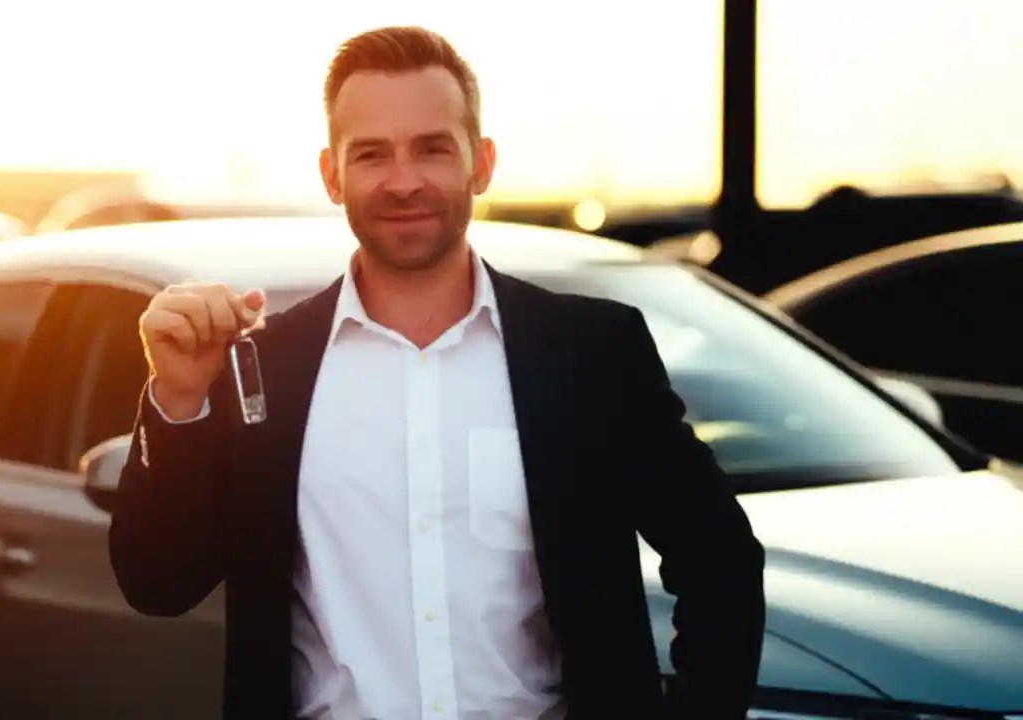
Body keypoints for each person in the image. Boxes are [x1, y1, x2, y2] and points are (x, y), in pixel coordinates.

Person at [109, 25, 765, 720]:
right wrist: (178, 398)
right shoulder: (265, 370)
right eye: (371, 154)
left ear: (480, 163)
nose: (404, 181)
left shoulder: (591, 355)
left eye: (432, 148)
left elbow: (719, 561)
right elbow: (159, 583)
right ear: (331, 175)